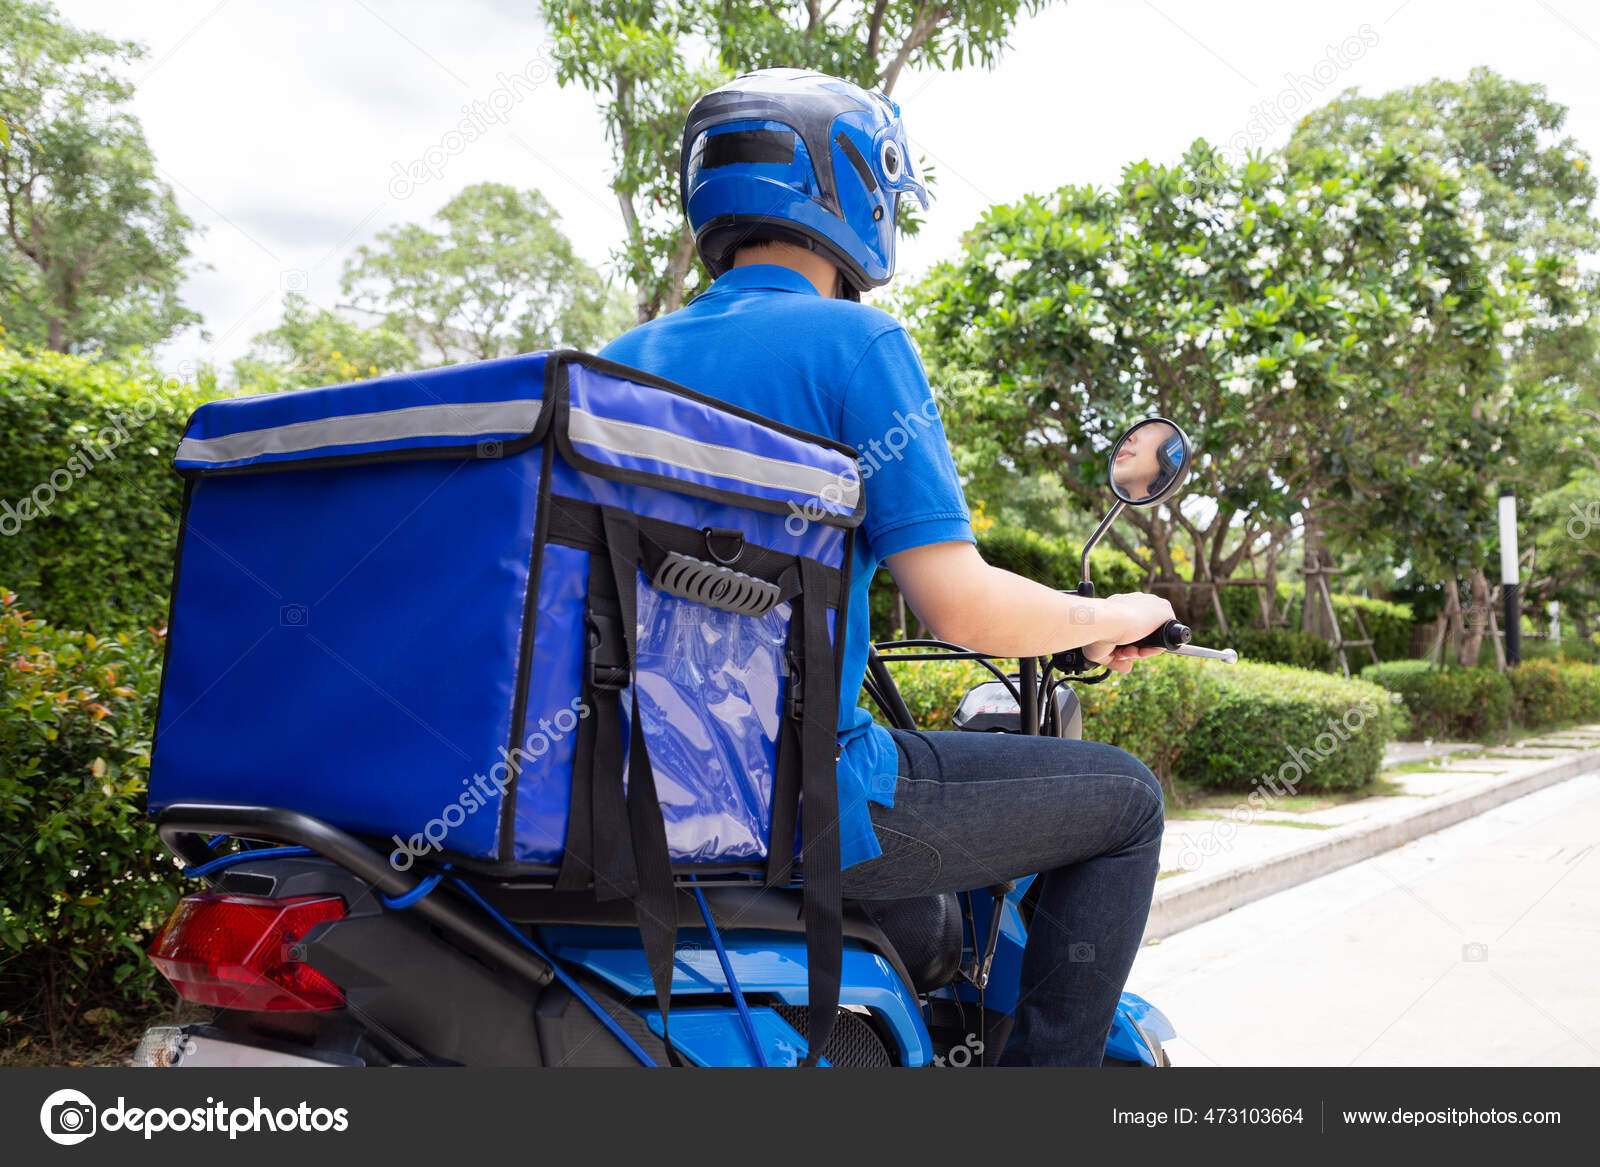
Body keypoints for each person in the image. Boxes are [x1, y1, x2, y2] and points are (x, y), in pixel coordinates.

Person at [599, 67, 1176, 1066]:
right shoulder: (855, 342)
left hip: (639, 788)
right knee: (1124, 800)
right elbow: (958, 602)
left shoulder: (622, 355)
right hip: (811, 797)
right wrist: (1110, 610)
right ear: (857, 191)